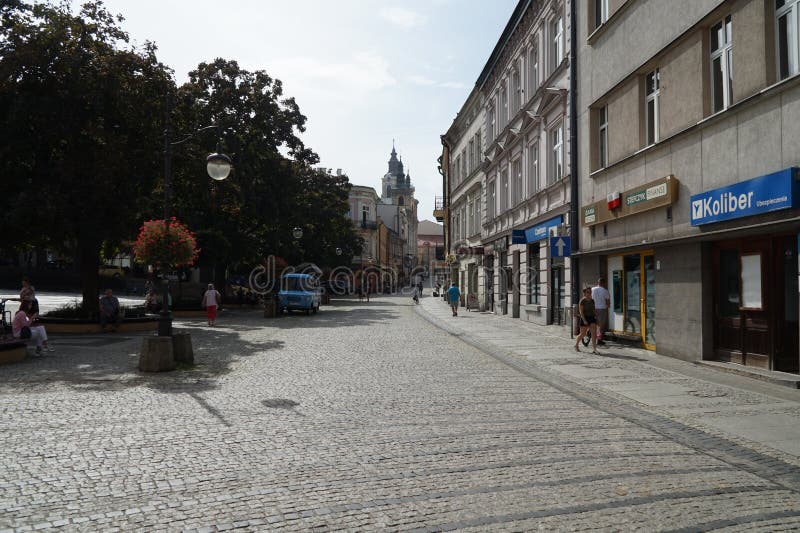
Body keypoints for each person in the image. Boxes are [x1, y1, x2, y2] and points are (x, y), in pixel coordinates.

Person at [575, 287, 598, 354]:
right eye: (588, 292)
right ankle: (576, 345)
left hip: (592, 318)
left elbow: (594, 310)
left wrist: (597, 318)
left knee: (594, 333)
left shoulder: (592, 300)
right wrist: (584, 320)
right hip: (584, 318)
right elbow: (581, 312)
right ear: (584, 293)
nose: (589, 293)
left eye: (590, 292)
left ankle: (594, 349)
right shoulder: (582, 301)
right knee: (583, 334)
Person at [591, 277, 611, 345]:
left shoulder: (592, 289)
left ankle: (590, 333)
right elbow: (608, 301)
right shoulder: (605, 290)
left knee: (594, 323)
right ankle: (599, 340)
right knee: (601, 325)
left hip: (593, 309)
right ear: (603, 283)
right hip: (601, 309)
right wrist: (608, 306)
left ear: (598, 282)